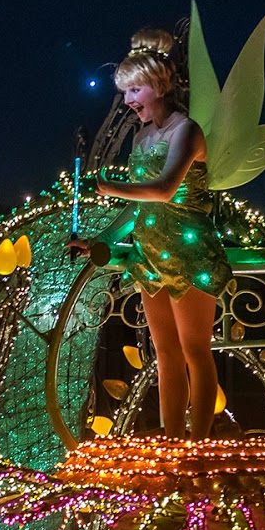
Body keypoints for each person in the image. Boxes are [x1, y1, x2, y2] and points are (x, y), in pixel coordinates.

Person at [69, 28, 233, 439]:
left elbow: (163, 190)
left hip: (190, 253)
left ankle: (198, 443)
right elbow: (139, 205)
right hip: (151, 254)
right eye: (125, 92)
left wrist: (108, 186)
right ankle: (173, 440)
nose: (128, 101)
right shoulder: (141, 137)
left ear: (159, 86)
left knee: (195, 349)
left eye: (135, 90)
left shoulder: (187, 131)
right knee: (165, 353)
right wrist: (102, 240)